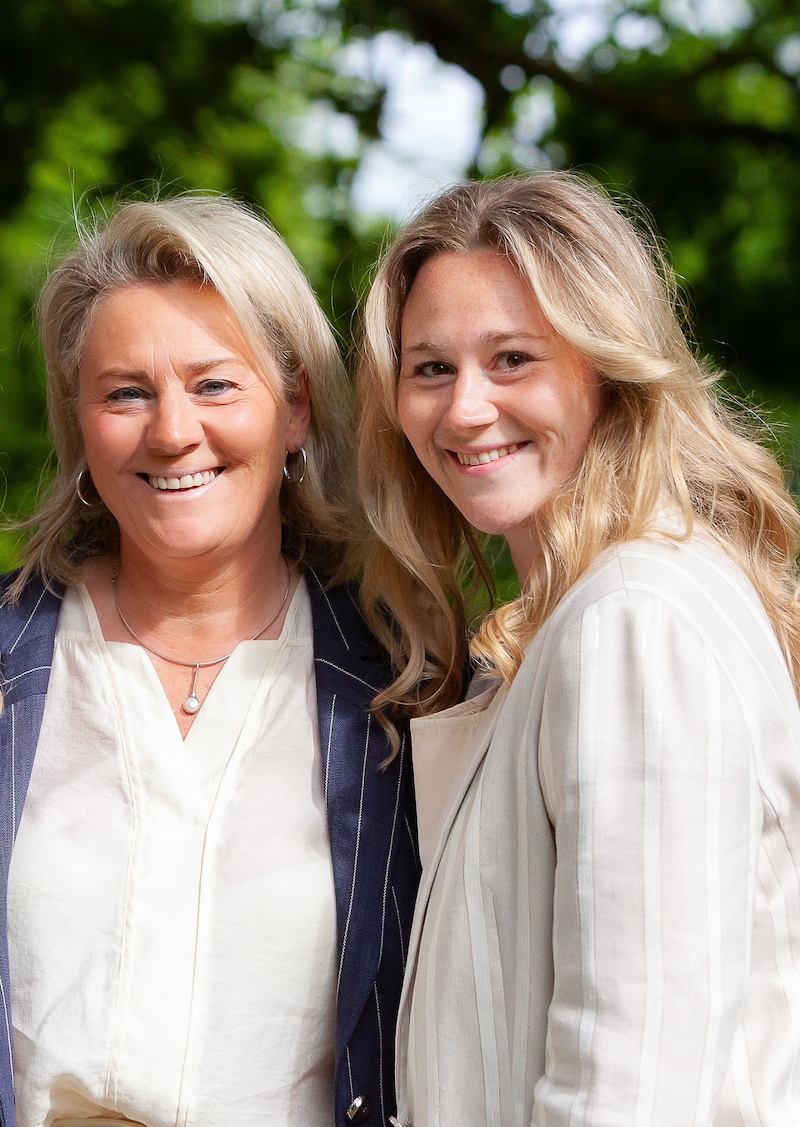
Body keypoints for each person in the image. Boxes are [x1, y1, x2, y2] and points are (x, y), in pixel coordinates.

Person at [357, 172, 800, 1125]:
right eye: (430, 368)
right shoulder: (575, 621)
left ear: (607, 366)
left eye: (513, 358)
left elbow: (632, 1086)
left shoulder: (635, 619)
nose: (465, 409)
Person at [0, 194, 419, 1127]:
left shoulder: (404, 687)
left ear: (295, 407)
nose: (171, 430)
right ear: (80, 420)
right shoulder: (11, 656)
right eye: (125, 392)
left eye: (216, 385)